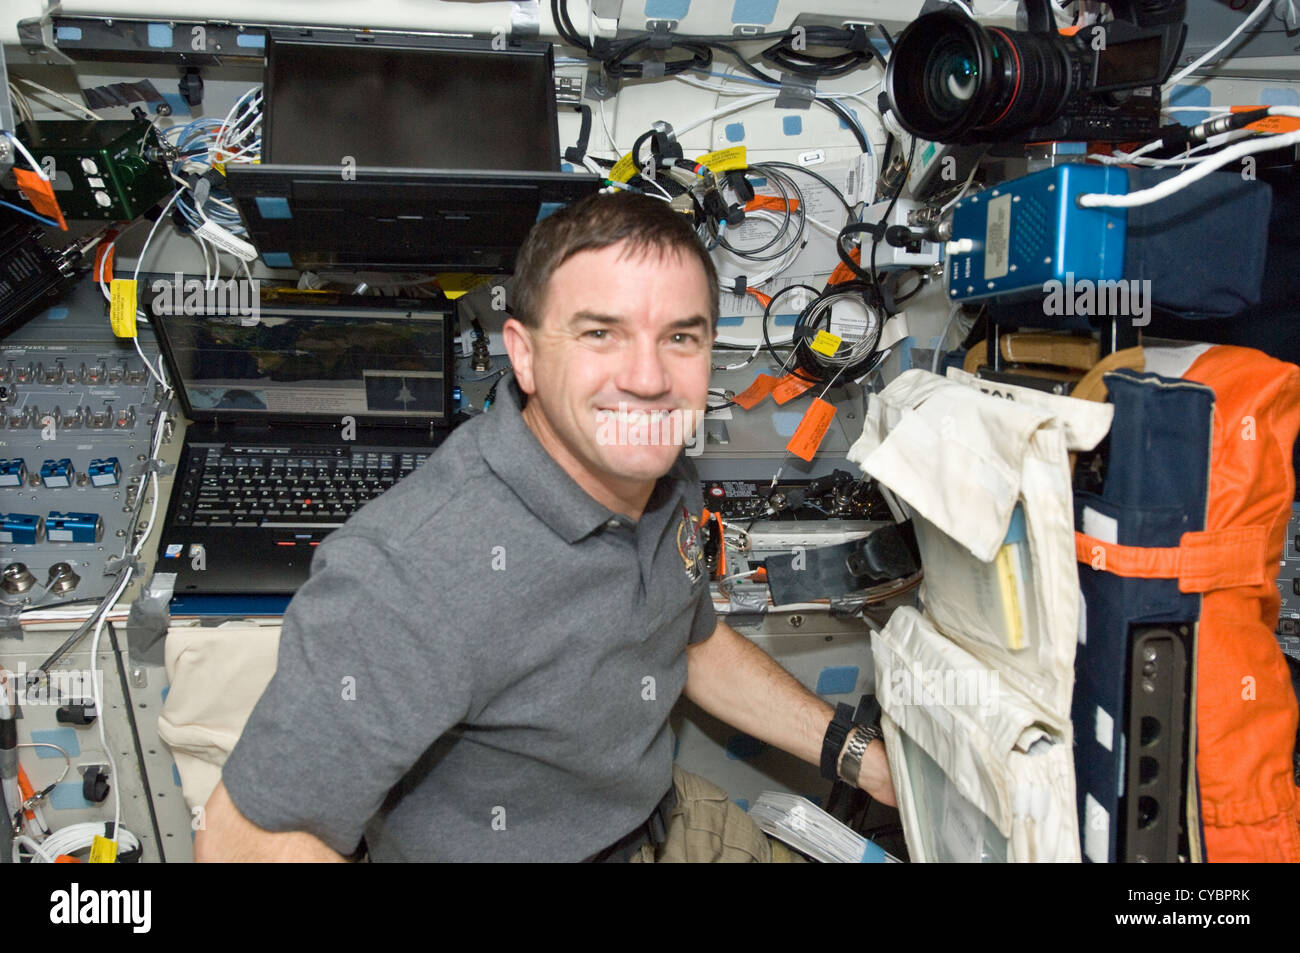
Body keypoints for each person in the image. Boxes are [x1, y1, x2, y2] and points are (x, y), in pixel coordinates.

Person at [195, 192, 894, 862]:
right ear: (523, 354)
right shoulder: (411, 573)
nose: (649, 378)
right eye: (600, 333)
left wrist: (861, 760)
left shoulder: (660, 470)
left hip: (662, 820)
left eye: (680, 336)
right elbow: (247, 843)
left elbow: (689, 642)